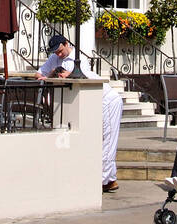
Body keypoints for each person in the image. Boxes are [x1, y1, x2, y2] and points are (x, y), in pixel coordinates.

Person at [37, 34, 122, 193]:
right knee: (99, 138)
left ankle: (102, 179)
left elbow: (84, 76)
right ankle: (110, 179)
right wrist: (52, 73)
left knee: (108, 139)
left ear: (66, 44)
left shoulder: (79, 58)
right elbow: (40, 73)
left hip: (107, 100)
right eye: (56, 52)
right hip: (90, 101)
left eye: (60, 51)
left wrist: (68, 75)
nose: (58, 55)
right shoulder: (55, 59)